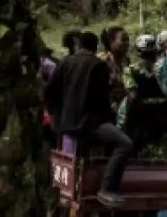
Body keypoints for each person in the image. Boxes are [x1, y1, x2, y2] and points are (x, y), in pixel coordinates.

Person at [44, 31, 132, 208]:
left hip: (65, 125)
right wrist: (111, 120)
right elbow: (101, 99)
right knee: (125, 144)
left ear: (78, 46)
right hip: (88, 123)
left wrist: (57, 115)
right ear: (95, 47)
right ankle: (107, 189)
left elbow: (49, 91)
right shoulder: (98, 65)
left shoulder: (65, 62)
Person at [99, 26, 130, 113]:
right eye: (123, 40)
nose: (127, 43)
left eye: (128, 40)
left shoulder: (126, 60)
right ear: (111, 42)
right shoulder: (102, 61)